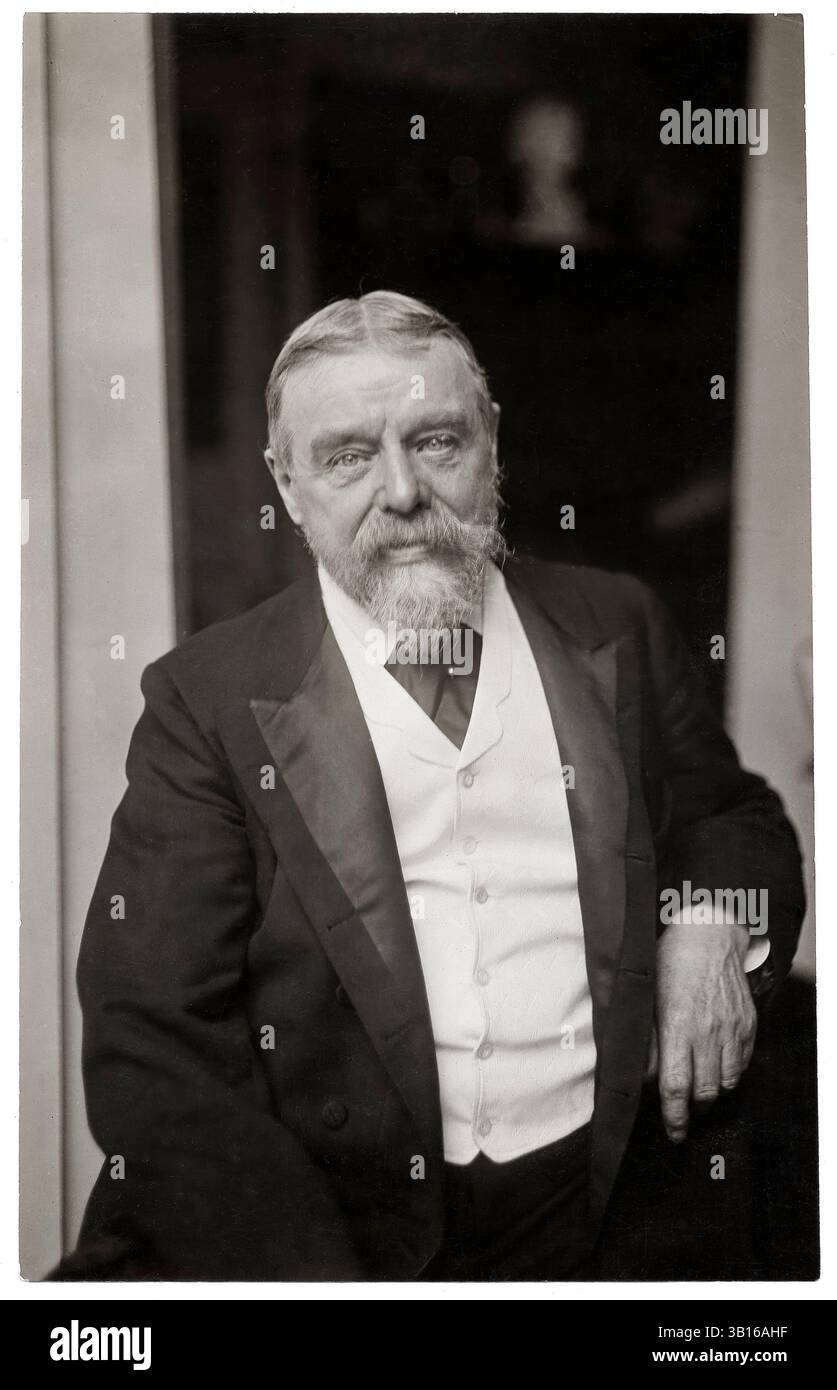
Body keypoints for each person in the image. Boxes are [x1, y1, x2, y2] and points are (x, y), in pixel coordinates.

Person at [57, 291, 804, 1281]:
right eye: (349, 455)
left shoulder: (616, 618)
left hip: (613, 1205)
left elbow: (730, 814)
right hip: (344, 1228)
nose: (402, 491)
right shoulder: (209, 697)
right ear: (287, 481)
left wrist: (709, 920)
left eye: (437, 440)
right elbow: (152, 1036)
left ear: (492, 443)